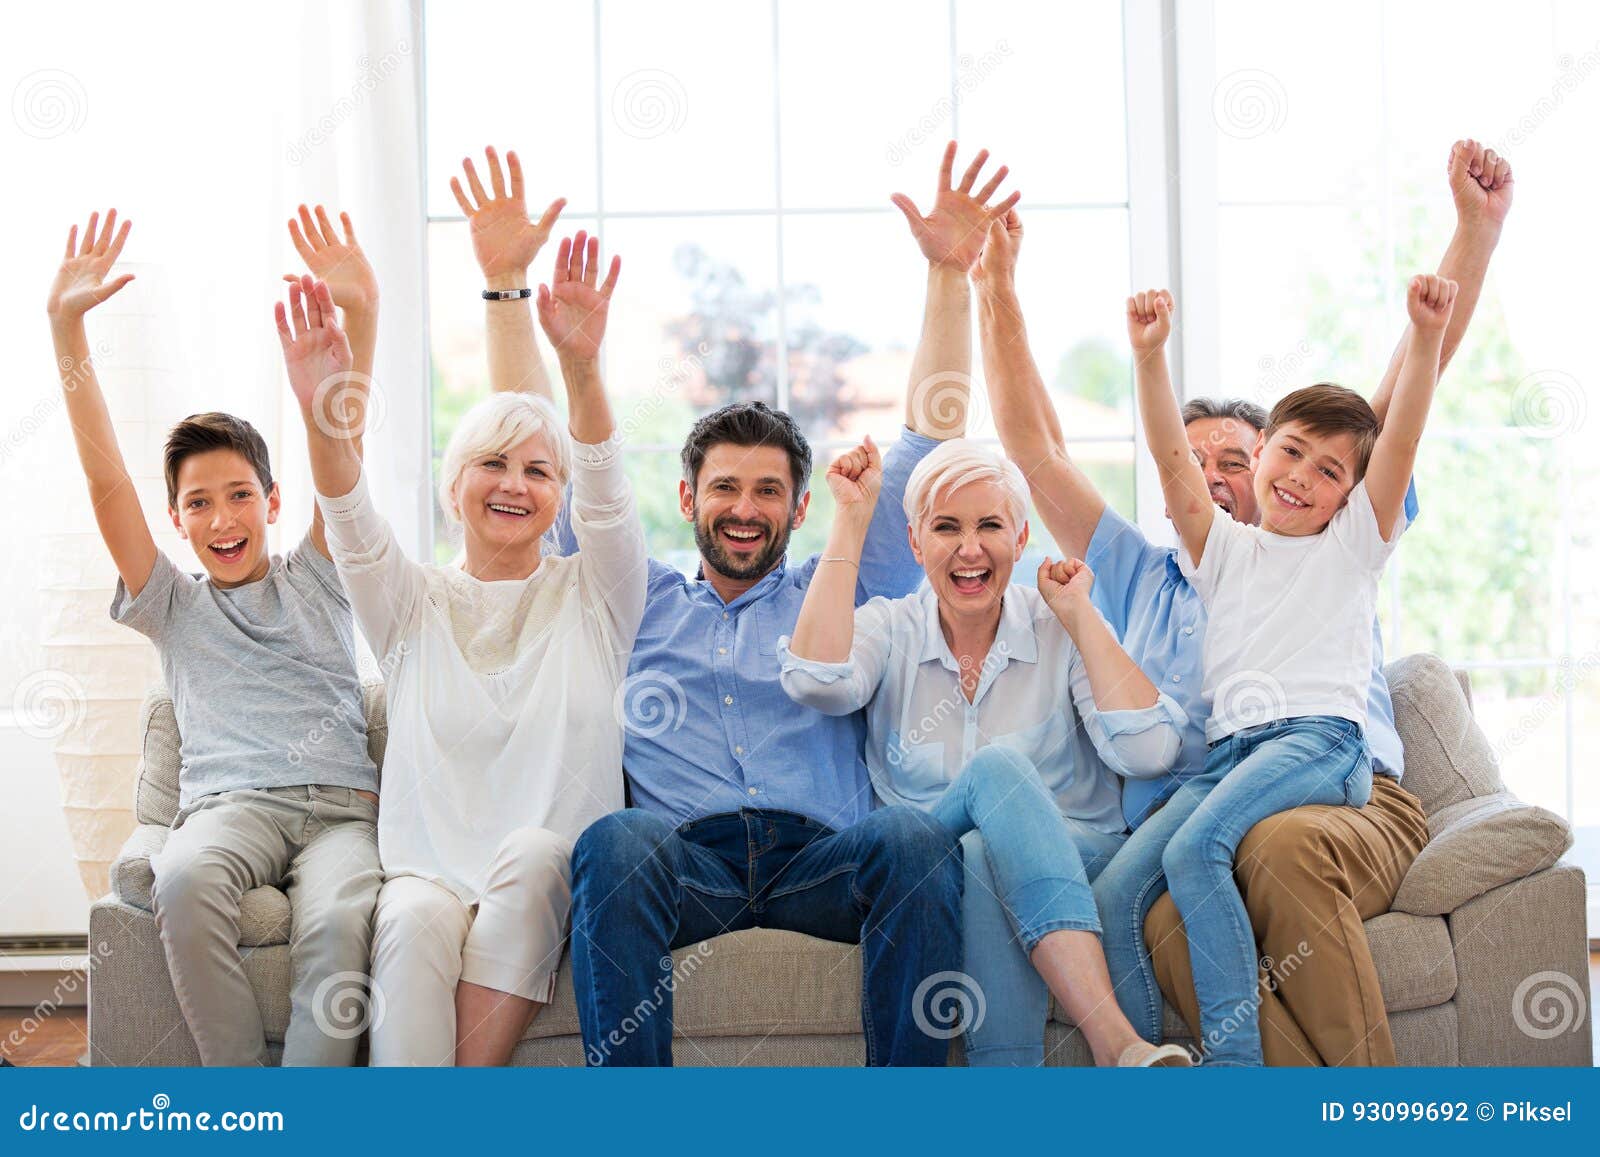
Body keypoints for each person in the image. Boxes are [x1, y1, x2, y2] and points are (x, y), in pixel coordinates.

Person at [972, 138, 1509, 1065]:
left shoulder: (1343, 542)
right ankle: (1195, 1094)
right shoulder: (1158, 564)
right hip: (1224, 772)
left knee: (1256, 852)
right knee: (1140, 897)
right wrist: (997, 291)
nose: (1219, 476)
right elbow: (1035, 447)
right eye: (1202, 460)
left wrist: (1470, 239)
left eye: (1238, 456)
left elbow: (1396, 412)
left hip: (1326, 775)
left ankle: (1324, 1096)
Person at [538, 142, 1016, 1066]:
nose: (746, 509)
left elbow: (930, 436)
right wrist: (570, 355)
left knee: (916, 839)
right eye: (725, 489)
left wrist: (948, 276)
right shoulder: (633, 597)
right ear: (689, 500)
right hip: (690, 864)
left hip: (821, 862)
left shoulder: (840, 586)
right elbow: (578, 479)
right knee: (614, 839)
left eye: (768, 491)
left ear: (801, 506)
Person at [283, 218, 645, 1066]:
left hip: (546, 870)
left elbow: (609, 499)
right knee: (407, 916)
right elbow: (350, 519)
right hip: (431, 871)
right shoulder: (412, 604)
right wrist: (322, 414)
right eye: (493, 463)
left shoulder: (598, 596)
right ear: (454, 487)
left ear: (559, 496)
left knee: (528, 855)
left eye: (538, 470)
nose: (515, 483)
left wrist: (582, 368)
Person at [49, 208, 383, 1065]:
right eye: (198, 503)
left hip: (341, 806)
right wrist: (66, 329)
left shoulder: (317, 569)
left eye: (239, 494)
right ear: (177, 521)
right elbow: (104, 481)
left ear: (272, 502)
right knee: (185, 874)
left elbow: (341, 443)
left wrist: (364, 316)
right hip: (228, 809)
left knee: (342, 919)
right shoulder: (172, 604)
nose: (222, 517)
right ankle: (244, 1108)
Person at [780, 436, 1192, 1067]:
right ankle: (1118, 1045)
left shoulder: (1058, 621)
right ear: (917, 544)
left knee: (982, 845)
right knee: (977, 822)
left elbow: (1151, 749)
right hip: (931, 861)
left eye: (990, 526)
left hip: (1077, 852)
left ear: (1021, 541)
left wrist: (1081, 618)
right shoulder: (890, 627)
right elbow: (815, 680)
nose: (969, 549)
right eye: (946, 528)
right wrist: (852, 519)